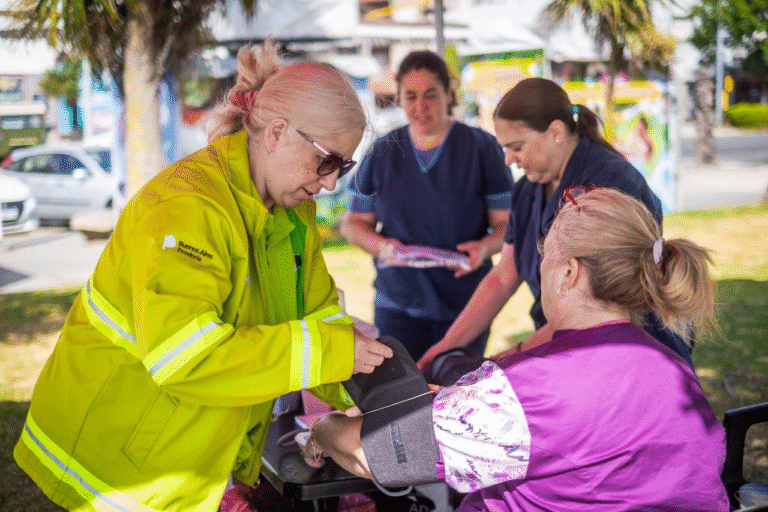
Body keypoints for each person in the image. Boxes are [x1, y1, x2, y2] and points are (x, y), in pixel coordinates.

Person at [13, 40, 393, 511]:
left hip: (177, 452)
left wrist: (386, 392)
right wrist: (335, 354)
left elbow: (319, 321)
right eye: (327, 161)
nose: (333, 182)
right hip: (115, 466)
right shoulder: (188, 208)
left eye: (345, 166)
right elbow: (185, 356)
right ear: (277, 132)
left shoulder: (292, 216)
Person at [303, 187, 729, 511]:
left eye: (543, 257)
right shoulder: (673, 369)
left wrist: (324, 429)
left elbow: (380, 455)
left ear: (568, 273)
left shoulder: (532, 388)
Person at [417, 77, 694, 369]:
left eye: (517, 146)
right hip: (563, 350)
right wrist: (447, 345)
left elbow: (590, 307)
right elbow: (502, 277)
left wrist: (505, 360)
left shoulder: (609, 185)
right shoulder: (527, 189)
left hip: (623, 358)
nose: (508, 159)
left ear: (556, 132)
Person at [341, 50, 513, 362]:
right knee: (400, 397)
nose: (421, 107)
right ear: (399, 99)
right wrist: (382, 246)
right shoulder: (382, 152)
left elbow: (506, 225)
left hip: (465, 303)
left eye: (430, 95)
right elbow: (353, 223)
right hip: (397, 302)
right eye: (411, 96)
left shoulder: (482, 149)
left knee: (454, 391)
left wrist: (484, 248)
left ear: (449, 93)